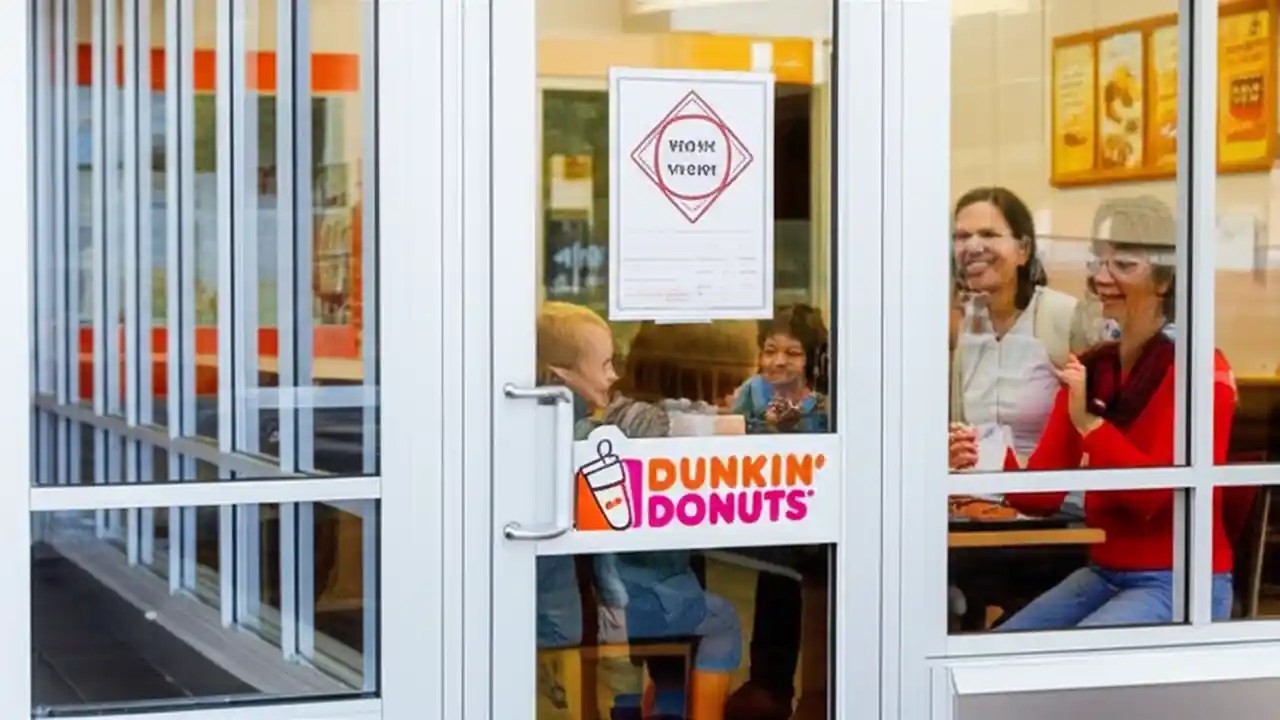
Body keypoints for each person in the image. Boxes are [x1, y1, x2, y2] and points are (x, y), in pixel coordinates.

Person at [955, 196, 1244, 629]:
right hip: (1105, 572)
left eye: (1123, 265)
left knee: (1069, 664)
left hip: (1181, 580)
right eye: (1098, 263)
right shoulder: (1093, 367)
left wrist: (1089, 424)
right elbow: (1041, 497)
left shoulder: (1202, 370)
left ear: (1164, 281)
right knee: (995, 650)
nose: (1100, 278)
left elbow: (1151, 498)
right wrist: (983, 458)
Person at [948, 186, 1088, 470]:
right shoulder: (964, 324)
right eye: (962, 237)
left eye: (988, 234)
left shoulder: (1064, 315)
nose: (973, 247)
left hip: (1054, 502)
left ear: (1023, 250)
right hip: (979, 500)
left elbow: (1096, 427)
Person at [730, 304, 829, 434]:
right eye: (770, 351)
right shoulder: (752, 390)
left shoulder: (824, 402)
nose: (779, 362)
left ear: (812, 359)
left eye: (793, 353)